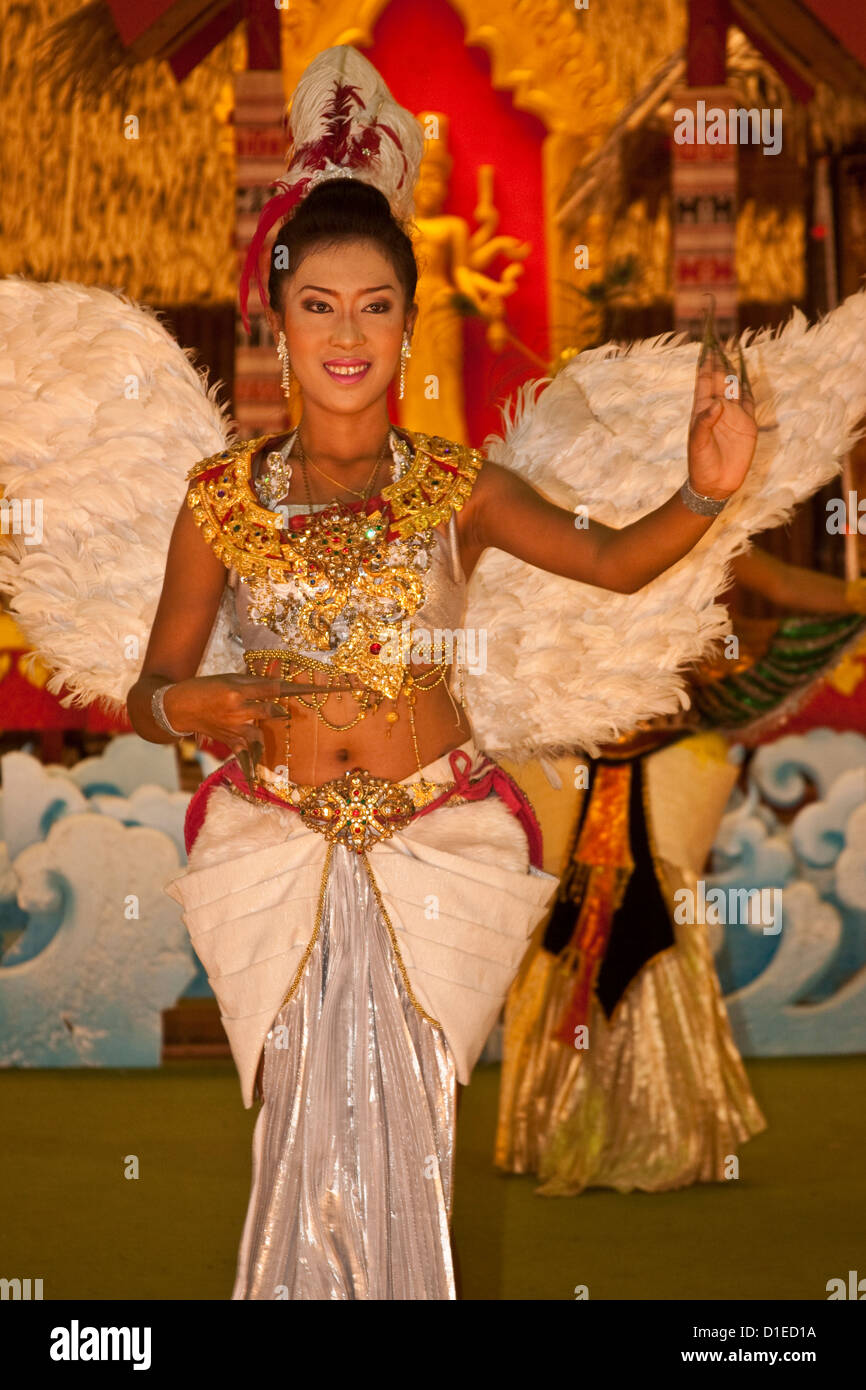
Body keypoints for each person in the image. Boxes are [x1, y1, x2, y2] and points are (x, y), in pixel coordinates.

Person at [120, 46, 758, 1300]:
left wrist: (706, 490)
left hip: (432, 858)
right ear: (277, 314)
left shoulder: (457, 488)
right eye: (318, 304)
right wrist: (176, 708)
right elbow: (153, 688)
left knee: (410, 1146)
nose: (345, 332)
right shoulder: (215, 503)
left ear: (409, 316)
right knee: (295, 1144)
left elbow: (616, 562)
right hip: (281, 858)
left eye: (373, 304)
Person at [495, 545, 866, 1195]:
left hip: (664, 756)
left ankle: (658, 1130)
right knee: (564, 928)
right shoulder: (554, 514)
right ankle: (554, 1126)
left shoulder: (702, 521)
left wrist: (856, 596)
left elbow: (777, 579)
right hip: (569, 756)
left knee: (660, 924)